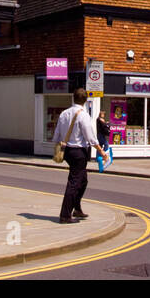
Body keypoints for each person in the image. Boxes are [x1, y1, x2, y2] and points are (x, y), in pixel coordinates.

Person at [52, 89, 108, 224]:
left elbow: (57, 135)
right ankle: (65, 215)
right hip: (78, 152)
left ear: (73, 98)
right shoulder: (83, 115)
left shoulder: (64, 114)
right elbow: (91, 137)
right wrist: (102, 152)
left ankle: (77, 209)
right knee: (74, 183)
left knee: (82, 181)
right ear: (85, 100)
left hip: (67, 151)